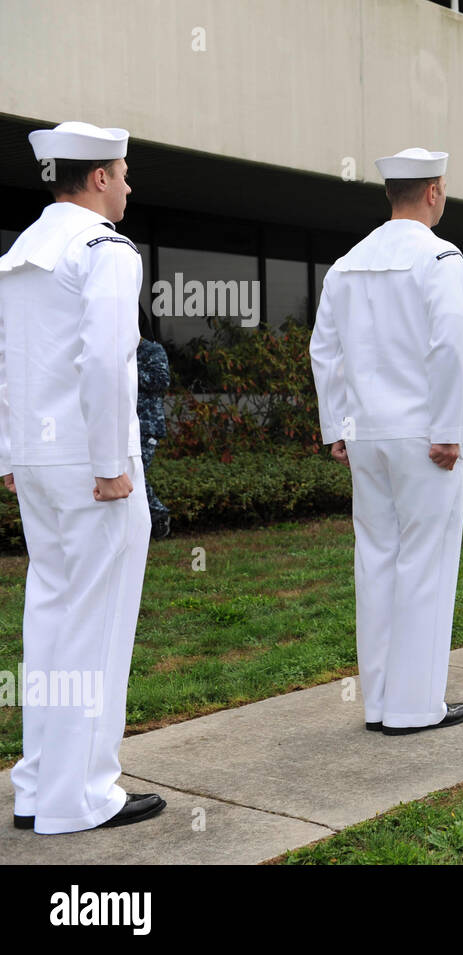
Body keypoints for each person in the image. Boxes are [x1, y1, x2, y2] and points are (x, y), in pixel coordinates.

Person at [0, 121, 163, 833]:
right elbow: (103, 361)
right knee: (95, 632)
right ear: (98, 177)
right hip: (92, 466)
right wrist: (109, 465)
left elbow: (10, 360)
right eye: (123, 173)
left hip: (38, 463)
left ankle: (38, 784)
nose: (128, 185)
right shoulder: (105, 249)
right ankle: (84, 795)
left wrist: (9, 455)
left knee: (52, 623)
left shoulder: (21, 252)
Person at [310, 147, 463, 735]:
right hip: (424, 435)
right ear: (433, 191)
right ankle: (415, 705)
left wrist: (338, 426)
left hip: (368, 435)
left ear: (391, 194)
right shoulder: (440, 256)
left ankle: (379, 701)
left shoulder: (347, 263)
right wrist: (449, 428)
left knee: (375, 561)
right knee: (425, 564)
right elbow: (449, 347)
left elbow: (323, 350)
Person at [137, 306, 171, 539]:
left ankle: (158, 516)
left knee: (135, 474)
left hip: (147, 424)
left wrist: (129, 369)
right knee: (128, 475)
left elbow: (161, 381)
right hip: (122, 425)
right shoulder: (111, 352)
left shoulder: (152, 350)